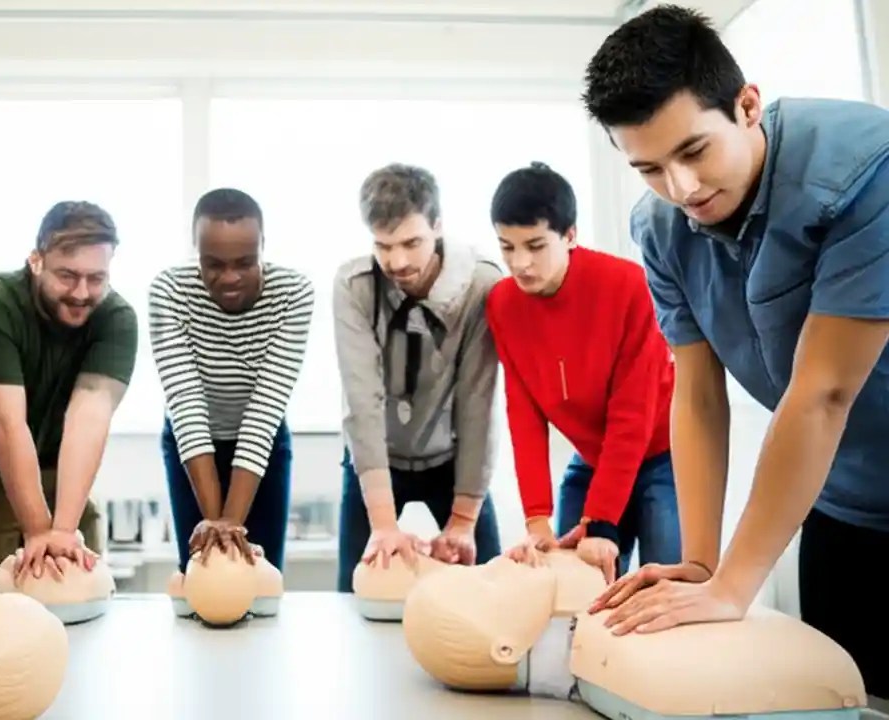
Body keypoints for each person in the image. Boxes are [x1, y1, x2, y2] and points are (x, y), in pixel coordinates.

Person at [581, 4, 889, 698]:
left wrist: (734, 587)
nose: (682, 189)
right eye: (650, 168)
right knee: (849, 695)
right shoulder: (661, 229)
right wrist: (698, 562)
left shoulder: (867, 170)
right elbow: (696, 395)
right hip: (842, 505)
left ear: (748, 104)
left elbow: (824, 392)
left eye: (694, 151)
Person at [485, 162, 681, 584]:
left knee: (664, 586)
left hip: (663, 454)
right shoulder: (502, 304)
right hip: (594, 458)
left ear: (570, 235)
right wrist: (536, 517)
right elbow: (524, 414)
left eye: (536, 246)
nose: (520, 263)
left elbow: (633, 413)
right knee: (579, 594)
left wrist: (603, 520)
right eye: (507, 247)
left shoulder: (629, 286)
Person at [0, 201, 139, 586]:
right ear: (36, 260)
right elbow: (7, 425)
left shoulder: (116, 319)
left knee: (78, 602)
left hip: (57, 471)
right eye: (67, 275)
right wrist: (38, 530)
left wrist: (60, 531)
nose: (81, 292)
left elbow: (89, 416)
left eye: (96, 278)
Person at [334, 163, 503, 593]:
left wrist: (463, 520)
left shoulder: (481, 284)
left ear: (438, 226)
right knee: (357, 591)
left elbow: (477, 404)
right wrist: (384, 525)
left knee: (487, 590)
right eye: (383, 245)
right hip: (376, 460)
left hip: (450, 460)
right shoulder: (354, 286)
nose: (398, 261)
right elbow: (362, 402)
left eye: (412, 242)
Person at [149, 188, 314, 573]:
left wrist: (230, 524)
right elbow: (186, 405)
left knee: (260, 572)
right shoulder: (169, 291)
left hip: (263, 442)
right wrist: (216, 526)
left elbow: (265, 407)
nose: (229, 278)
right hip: (191, 444)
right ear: (195, 249)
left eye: (244, 262)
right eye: (213, 264)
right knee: (204, 569)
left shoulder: (293, 292)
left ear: (262, 247)